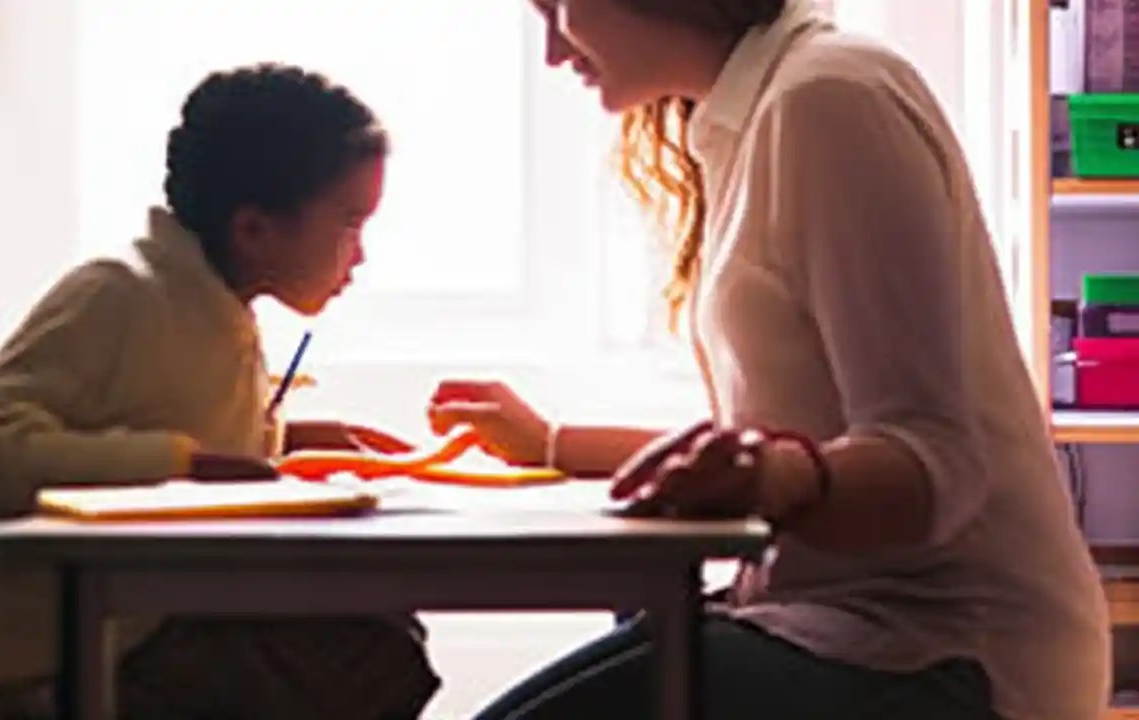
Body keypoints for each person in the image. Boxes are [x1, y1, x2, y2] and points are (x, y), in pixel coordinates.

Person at [427, 1, 1110, 718]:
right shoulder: (750, 117)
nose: (554, 55)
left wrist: (777, 480)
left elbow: (933, 465)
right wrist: (553, 446)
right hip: (839, 622)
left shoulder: (830, 99)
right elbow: (782, 443)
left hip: (952, 651)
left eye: (557, 9)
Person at [0, 63, 439, 720]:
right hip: (78, 649)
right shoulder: (117, 294)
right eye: (350, 224)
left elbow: (181, 423)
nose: (360, 255)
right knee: (373, 656)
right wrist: (183, 464)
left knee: (380, 627)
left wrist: (299, 443)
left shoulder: (218, 309)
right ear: (254, 229)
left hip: (145, 623)